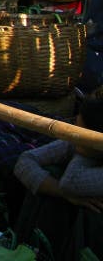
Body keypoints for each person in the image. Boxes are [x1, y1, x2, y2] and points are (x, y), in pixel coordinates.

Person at [13, 96, 103, 259]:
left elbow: (71, 182)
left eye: (80, 134)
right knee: (51, 175)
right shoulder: (79, 140)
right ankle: (31, 251)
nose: (74, 137)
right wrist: (62, 193)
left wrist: (85, 152)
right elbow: (25, 161)